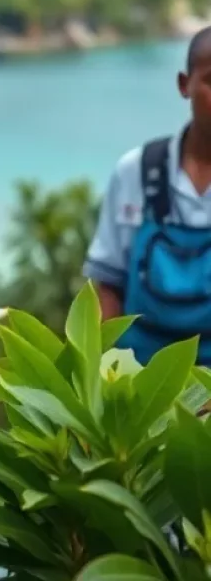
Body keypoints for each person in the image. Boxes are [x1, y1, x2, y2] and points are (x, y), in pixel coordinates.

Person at [84, 27, 211, 365]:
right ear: (184, 84)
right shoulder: (138, 171)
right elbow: (107, 284)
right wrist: (111, 372)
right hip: (141, 384)